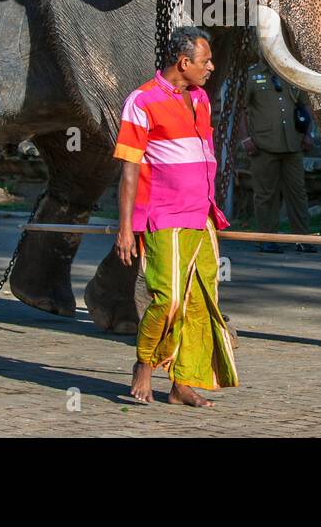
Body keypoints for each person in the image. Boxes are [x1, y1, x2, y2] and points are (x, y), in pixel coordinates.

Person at [114, 26, 238, 407]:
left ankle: (182, 383)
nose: (211, 67)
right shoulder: (142, 101)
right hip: (163, 215)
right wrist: (125, 229)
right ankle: (144, 366)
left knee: (200, 301)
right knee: (167, 300)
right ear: (183, 63)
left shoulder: (200, 99)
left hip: (202, 215)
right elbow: (130, 169)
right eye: (205, 61)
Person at [239, 59, 315, 254]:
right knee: (266, 194)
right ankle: (267, 239)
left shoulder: (292, 72)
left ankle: (302, 239)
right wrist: (245, 138)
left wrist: (308, 133)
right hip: (264, 145)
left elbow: (305, 106)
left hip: (293, 143)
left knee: (298, 193)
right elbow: (242, 110)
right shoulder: (252, 75)